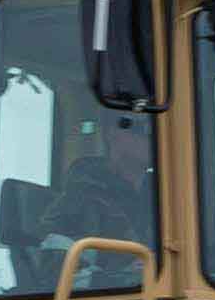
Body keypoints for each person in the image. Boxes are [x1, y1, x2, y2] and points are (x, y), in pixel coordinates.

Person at [26, 110, 157, 285]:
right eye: (142, 127)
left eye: (155, 128)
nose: (151, 136)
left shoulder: (161, 198)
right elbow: (59, 275)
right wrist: (127, 277)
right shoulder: (79, 200)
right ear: (113, 134)